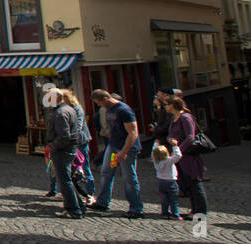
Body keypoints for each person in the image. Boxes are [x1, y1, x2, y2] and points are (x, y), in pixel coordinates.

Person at [87, 89, 143, 217]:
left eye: (99, 103)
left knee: (129, 178)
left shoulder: (124, 110)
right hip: (113, 146)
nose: (99, 106)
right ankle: (103, 202)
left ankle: (136, 208)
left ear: (105, 99)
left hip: (127, 148)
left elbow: (133, 133)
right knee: (106, 172)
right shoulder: (109, 109)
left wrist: (124, 151)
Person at [165, 96, 209, 221]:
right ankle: (194, 210)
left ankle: (200, 212)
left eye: (166, 105)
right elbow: (171, 133)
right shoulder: (174, 118)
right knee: (186, 184)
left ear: (172, 105)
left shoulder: (185, 117)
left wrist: (179, 150)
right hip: (178, 156)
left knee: (195, 183)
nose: (165, 107)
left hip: (188, 156)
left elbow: (190, 137)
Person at [47, 89, 85, 218]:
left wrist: (53, 146)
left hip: (62, 150)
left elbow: (64, 136)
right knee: (66, 179)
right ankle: (79, 206)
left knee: (64, 180)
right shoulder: (69, 109)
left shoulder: (60, 113)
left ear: (57, 97)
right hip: (70, 148)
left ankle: (73, 210)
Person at [152, 142, 183, 220]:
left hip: (161, 182)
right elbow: (178, 156)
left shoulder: (156, 162)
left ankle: (164, 213)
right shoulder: (169, 161)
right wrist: (175, 146)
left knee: (164, 199)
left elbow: (153, 151)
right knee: (174, 200)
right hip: (171, 182)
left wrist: (156, 143)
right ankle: (175, 215)